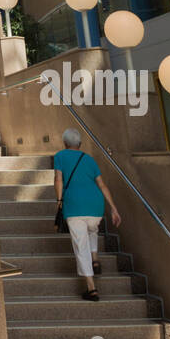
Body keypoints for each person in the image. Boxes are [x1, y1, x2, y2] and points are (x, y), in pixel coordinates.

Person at [54, 128, 122, 301]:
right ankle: (96, 259)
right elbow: (102, 184)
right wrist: (113, 208)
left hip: (75, 205)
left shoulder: (60, 156)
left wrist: (59, 200)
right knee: (92, 229)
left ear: (65, 143)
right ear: (80, 144)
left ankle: (91, 288)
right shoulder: (89, 159)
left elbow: (58, 180)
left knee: (80, 244)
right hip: (95, 205)